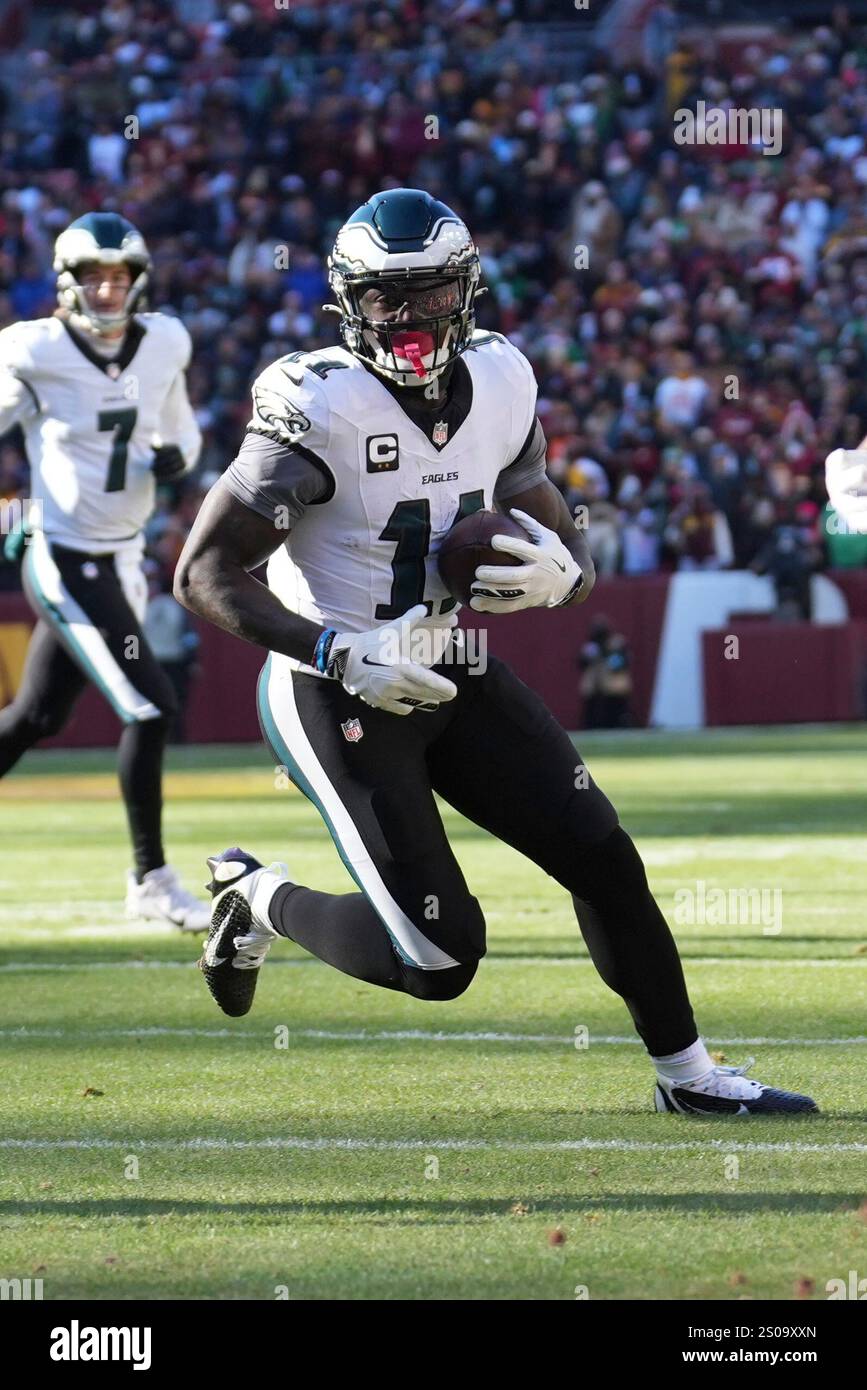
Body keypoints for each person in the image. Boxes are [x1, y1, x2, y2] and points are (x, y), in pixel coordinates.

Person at [175, 189, 815, 1116]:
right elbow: (204, 573)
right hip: (336, 689)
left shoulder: (502, 380)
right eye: (384, 298)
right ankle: (259, 896)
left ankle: (691, 1080)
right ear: (347, 300)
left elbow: (547, 511)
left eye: (429, 293)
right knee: (438, 961)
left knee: (604, 860)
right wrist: (337, 650)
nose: (406, 318)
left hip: (453, 664)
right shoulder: (320, 404)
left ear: (466, 290)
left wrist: (569, 574)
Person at [0, 212, 208, 931]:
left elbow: (180, 423)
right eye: (95, 276)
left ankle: (149, 879)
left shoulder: (165, 342)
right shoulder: (36, 349)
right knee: (151, 706)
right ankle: (150, 877)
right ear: (69, 281)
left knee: (35, 717)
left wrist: (180, 452)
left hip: (122, 556)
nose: (109, 290)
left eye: (120, 277)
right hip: (62, 556)